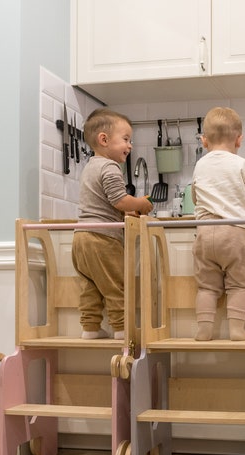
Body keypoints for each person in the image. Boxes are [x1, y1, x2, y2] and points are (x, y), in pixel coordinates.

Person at [73, 108, 153, 339]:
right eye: (126, 139)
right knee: (116, 284)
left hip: (81, 237)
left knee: (90, 288)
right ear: (104, 140)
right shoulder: (110, 167)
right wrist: (140, 203)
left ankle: (90, 328)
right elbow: (119, 199)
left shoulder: (90, 166)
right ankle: (122, 329)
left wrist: (126, 214)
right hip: (103, 239)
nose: (130, 146)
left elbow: (103, 204)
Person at [191, 107, 245, 341]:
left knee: (206, 286)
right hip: (235, 232)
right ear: (239, 140)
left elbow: (195, 197)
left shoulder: (200, 165)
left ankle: (204, 330)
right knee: (239, 284)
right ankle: (236, 330)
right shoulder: (242, 164)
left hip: (205, 233)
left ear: (204, 141)